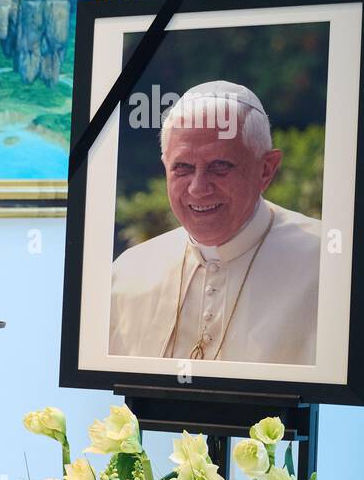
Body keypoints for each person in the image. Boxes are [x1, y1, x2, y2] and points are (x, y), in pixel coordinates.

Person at [109, 81, 322, 365]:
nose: (198, 188)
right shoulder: (127, 272)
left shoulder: (327, 265)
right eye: (182, 167)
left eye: (220, 166)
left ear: (266, 169)